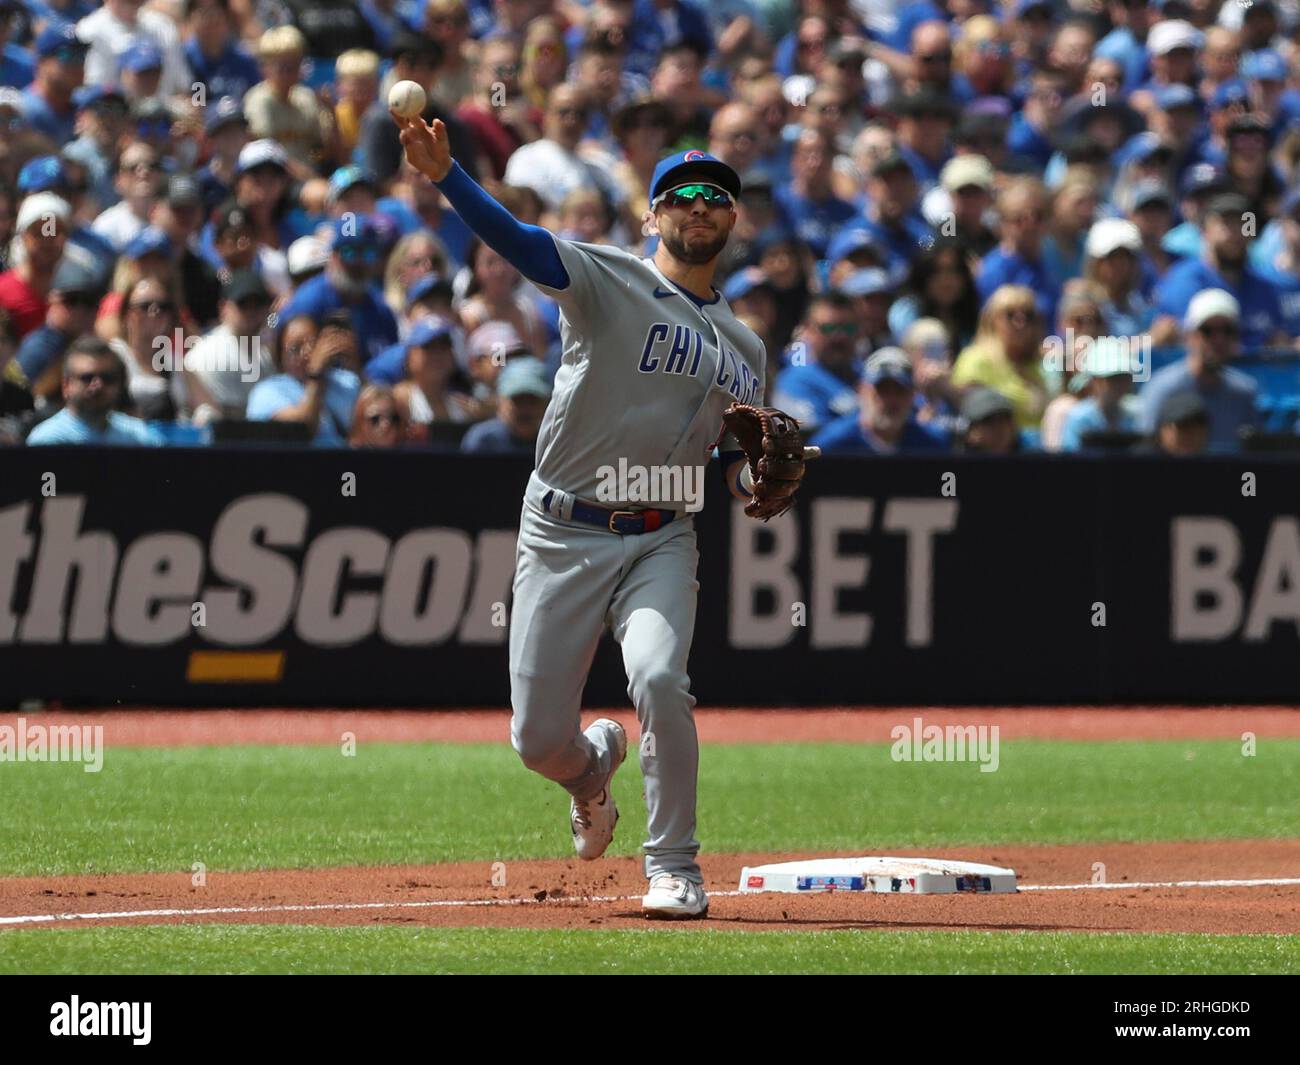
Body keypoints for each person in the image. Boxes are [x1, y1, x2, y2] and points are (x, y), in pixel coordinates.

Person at [396, 102, 807, 917]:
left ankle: (676, 865)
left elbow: (726, 464)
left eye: (714, 196)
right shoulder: (606, 276)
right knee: (536, 739)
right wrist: (448, 177)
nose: (698, 206)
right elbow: (516, 243)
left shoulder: (748, 346)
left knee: (659, 675)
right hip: (561, 527)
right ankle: (591, 772)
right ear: (651, 213)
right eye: (681, 195)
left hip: (662, 535)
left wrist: (749, 482)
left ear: (734, 219)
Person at [1139, 288, 1258, 452]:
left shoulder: (1245, 392)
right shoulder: (1162, 389)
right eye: (1208, 331)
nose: (1219, 339)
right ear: (1189, 335)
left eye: (1227, 331)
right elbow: (1145, 452)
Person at [246, 312, 362, 447]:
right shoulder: (266, 392)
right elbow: (301, 431)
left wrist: (354, 363)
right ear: (280, 357)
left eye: (313, 344)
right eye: (295, 349)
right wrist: (315, 376)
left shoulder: (348, 382)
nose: (306, 353)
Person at [809, 348, 949, 454]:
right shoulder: (832, 445)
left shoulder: (931, 445)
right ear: (862, 391)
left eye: (900, 391)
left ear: (912, 395)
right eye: (882, 391)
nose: (891, 400)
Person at [26, 337, 161, 445]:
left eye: (108, 378)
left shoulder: (138, 436)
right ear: (66, 386)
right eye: (87, 378)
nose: (98, 385)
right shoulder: (49, 440)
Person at [951, 284, 1049, 431]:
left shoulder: (1040, 364)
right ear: (992, 319)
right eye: (1010, 314)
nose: (1020, 322)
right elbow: (968, 410)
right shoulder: (976, 359)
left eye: (1028, 315)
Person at [460, 356, 552, 453]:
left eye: (532, 401)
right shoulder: (483, 441)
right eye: (518, 401)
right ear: (501, 402)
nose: (525, 410)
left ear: (545, 404)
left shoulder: (553, 443)